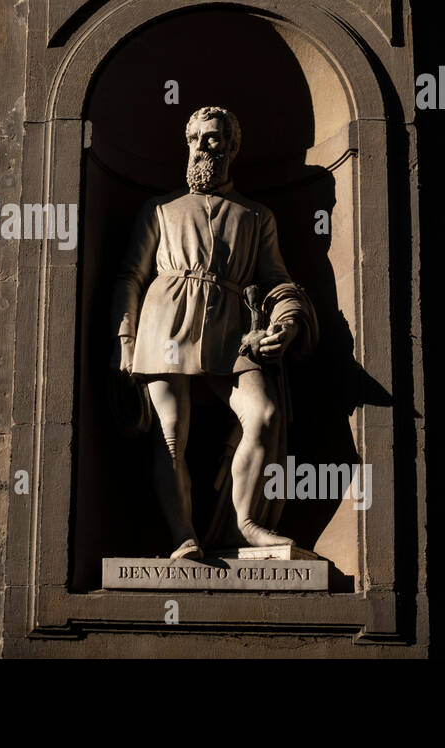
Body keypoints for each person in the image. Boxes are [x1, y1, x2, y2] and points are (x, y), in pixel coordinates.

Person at [111, 106, 318, 560]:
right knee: (171, 433)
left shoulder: (256, 215)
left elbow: (276, 279)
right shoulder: (160, 209)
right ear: (187, 143)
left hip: (231, 330)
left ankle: (246, 523)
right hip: (165, 320)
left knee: (263, 414)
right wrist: (125, 341)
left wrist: (286, 323)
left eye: (217, 139)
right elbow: (130, 275)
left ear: (233, 148)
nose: (206, 146)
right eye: (199, 138)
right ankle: (183, 536)